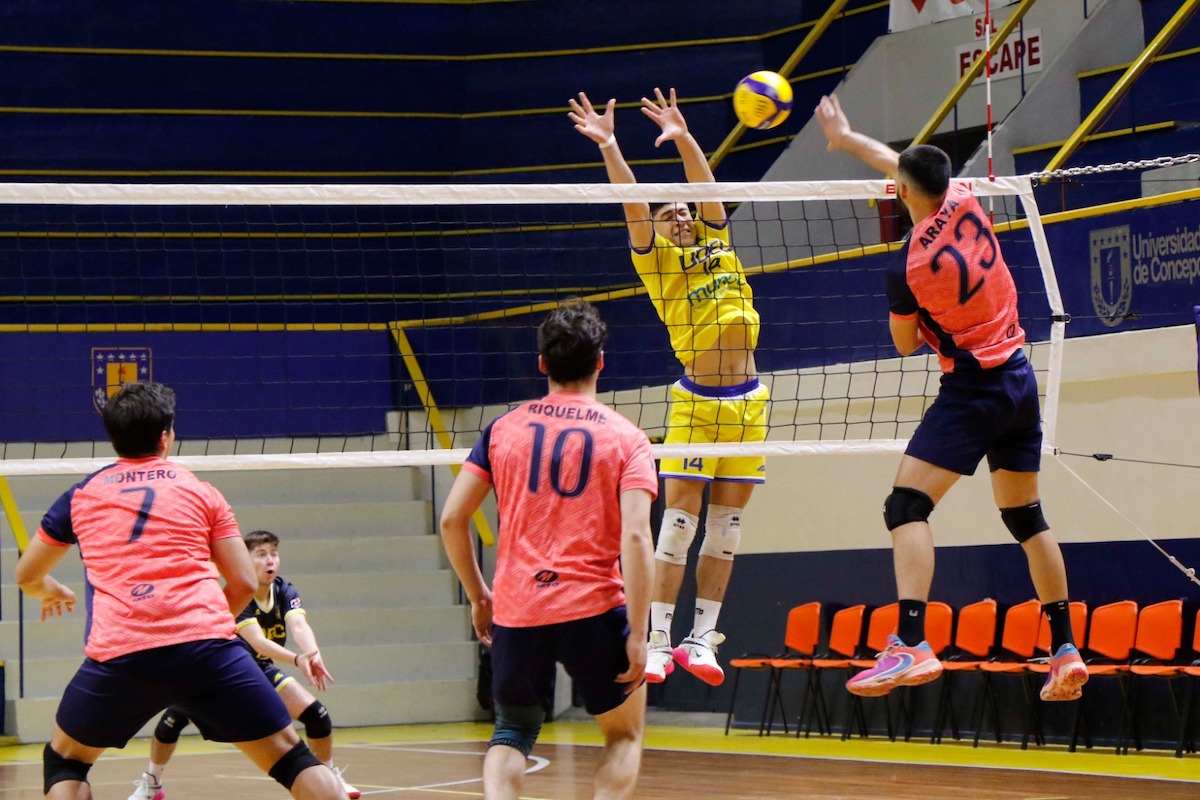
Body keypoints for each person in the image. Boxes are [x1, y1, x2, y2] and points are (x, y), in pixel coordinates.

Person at [814, 93, 1089, 701]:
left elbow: (906, 344)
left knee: (905, 506)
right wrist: (849, 139)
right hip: (1019, 377)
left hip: (973, 388)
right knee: (1025, 516)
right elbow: (904, 167)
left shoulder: (908, 267)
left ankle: (911, 642)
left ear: (904, 194)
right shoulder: (965, 198)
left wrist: (901, 304)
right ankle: (1065, 646)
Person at [15, 382, 346, 800]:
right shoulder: (200, 490)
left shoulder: (80, 495)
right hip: (207, 650)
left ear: (113, 436)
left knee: (66, 761)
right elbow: (244, 582)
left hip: (122, 656)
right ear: (166, 435)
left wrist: (52, 590)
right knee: (292, 758)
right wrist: (198, 625)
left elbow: (26, 575)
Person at [567, 87, 768, 687]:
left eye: (682, 208)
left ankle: (701, 636)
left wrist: (683, 137)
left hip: (750, 402)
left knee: (727, 530)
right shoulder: (656, 261)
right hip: (697, 405)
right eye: (667, 213)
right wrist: (610, 145)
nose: (679, 213)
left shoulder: (716, 239)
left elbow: (704, 190)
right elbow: (633, 203)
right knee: (678, 525)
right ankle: (656, 639)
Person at [439, 299, 656, 800]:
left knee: (511, 734)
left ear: (542, 363)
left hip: (519, 610)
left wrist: (480, 596)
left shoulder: (501, 430)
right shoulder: (628, 439)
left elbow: (453, 519)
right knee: (624, 735)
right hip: (594, 609)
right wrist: (641, 633)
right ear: (601, 361)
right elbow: (638, 537)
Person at [128, 530, 359, 800]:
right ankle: (151, 783)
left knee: (316, 714)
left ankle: (329, 778)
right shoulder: (240, 592)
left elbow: (298, 623)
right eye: (261, 555)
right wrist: (298, 659)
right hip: (222, 673)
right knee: (173, 719)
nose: (269, 560)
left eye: (273, 553)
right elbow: (258, 642)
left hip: (260, 670)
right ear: (245, 561)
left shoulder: (284, 590)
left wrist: (312, 652)